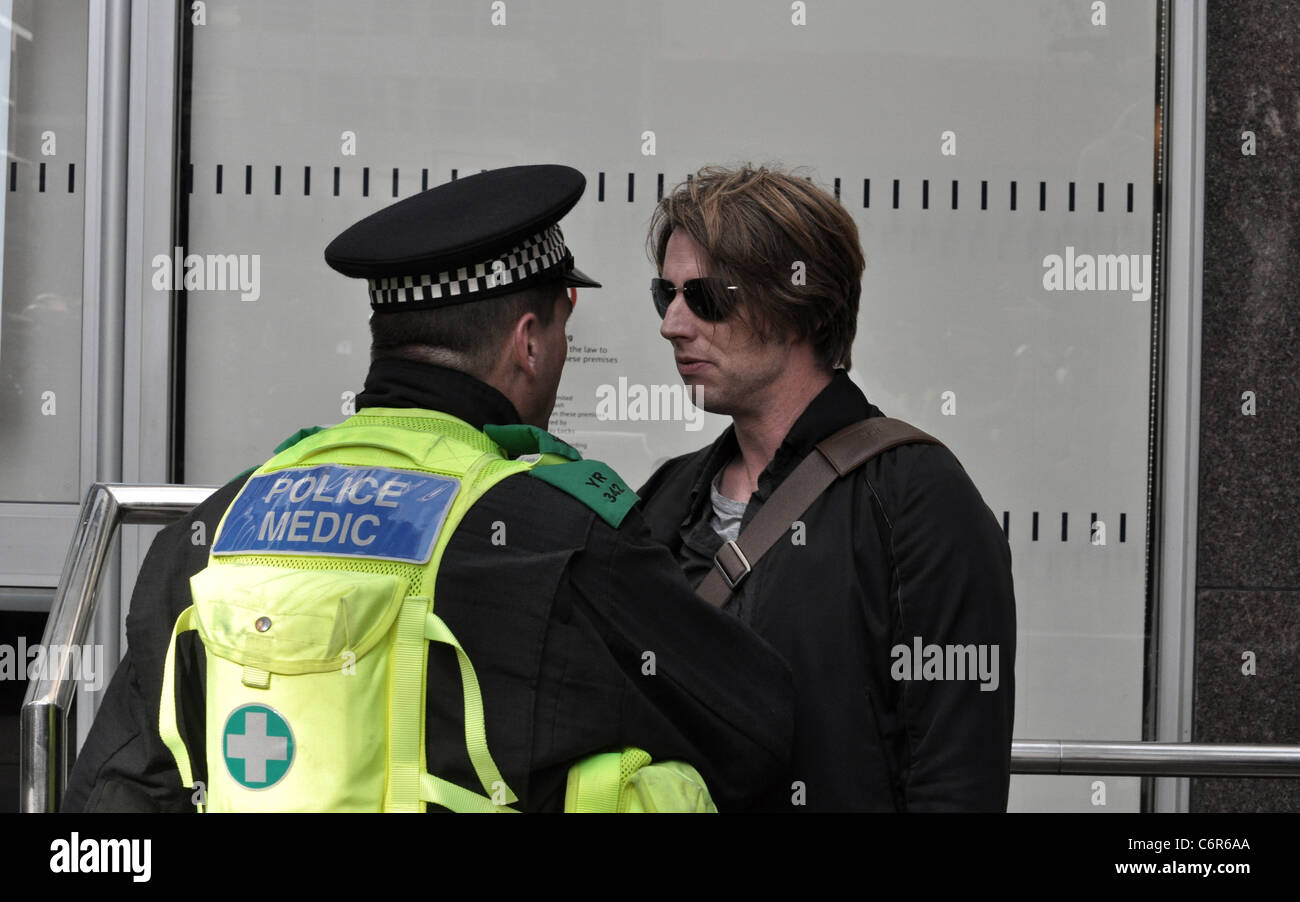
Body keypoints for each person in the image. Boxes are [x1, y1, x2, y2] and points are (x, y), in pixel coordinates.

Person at [63, 164, 792, 813]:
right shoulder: (560, 537)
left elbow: (117, 795)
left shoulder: (216, 529)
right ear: (529, 340)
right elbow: (752, 729)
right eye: (563, 328)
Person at [636, 164, 1016, 812]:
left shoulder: (917, 499)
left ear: (797, 308)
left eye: (706, 297)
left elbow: (956, 781)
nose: (673, 323)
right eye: (663, 295)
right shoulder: (668, 498)